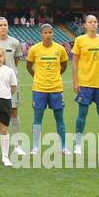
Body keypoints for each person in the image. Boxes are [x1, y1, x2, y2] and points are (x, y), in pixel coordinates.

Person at [70, 14, 99, 155]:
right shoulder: (80, 40)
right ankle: (78, 144)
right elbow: (75, 62)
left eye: (95, 22)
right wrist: (76, 81)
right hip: (85, 84)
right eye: (90, 22)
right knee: (82, 114)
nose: (93, 24)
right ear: (85, 25)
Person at [26, 24, 69, 156]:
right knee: (37, 118)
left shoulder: (60, 49)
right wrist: (37, 76)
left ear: (53, 34)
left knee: (59, 118)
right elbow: (29, 66)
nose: (48, 35)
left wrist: (56, 75)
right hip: (39, 89)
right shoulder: (34, 49)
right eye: (45, 32)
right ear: (41, 34)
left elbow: (64, 65)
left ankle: (63, 146)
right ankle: (35, 147)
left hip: (56, 88)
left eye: (50, 32)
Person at [0, 17, 24, 137]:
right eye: (1, 25)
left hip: (11, 83)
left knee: (14, 112)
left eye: (5, 25)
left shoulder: (15, 42)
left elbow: (16, 60)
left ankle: (17, 143)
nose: (3, 27)